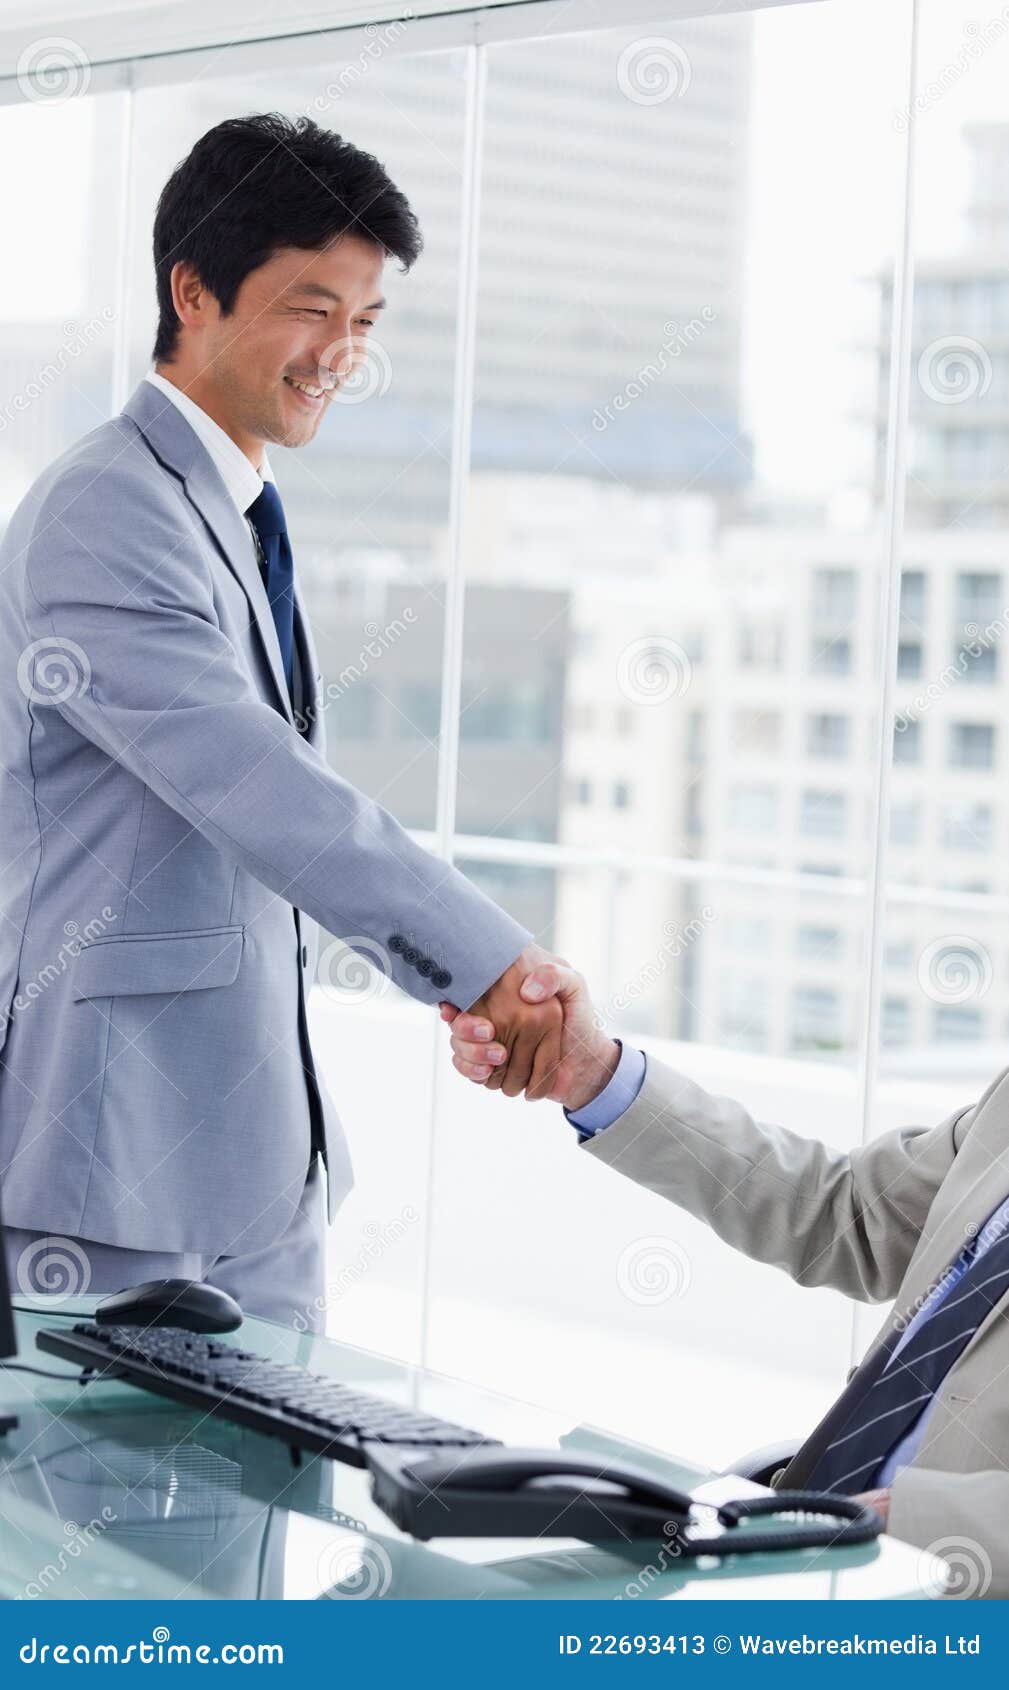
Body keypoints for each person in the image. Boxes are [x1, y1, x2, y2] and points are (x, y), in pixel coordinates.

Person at [0, 113, 563, 1328]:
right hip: (112, 1164)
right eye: (312, 308)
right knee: (90, 1513)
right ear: (191, 291)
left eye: (363, 322)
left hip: (247, 1155)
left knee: (270, 1501)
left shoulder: (229, 501)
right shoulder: (105, 508)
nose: (339, 354)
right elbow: (262, 788)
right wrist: (488, 964)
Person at [443, 961, 1009, 1592]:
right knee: (463, 1592)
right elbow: (844, 1216)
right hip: (806, 1542)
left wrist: (925, 1524)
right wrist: (596, 1073)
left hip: (934, 1594)